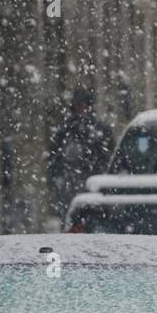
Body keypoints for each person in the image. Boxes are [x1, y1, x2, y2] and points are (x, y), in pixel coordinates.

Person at [47, 87, 114, 222]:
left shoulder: (100, 129)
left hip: (92, 182)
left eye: (84, 105)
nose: (81, 109)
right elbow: (55, 157)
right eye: (78, 105)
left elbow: (108, 155)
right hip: (70, 183)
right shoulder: (65, 130)